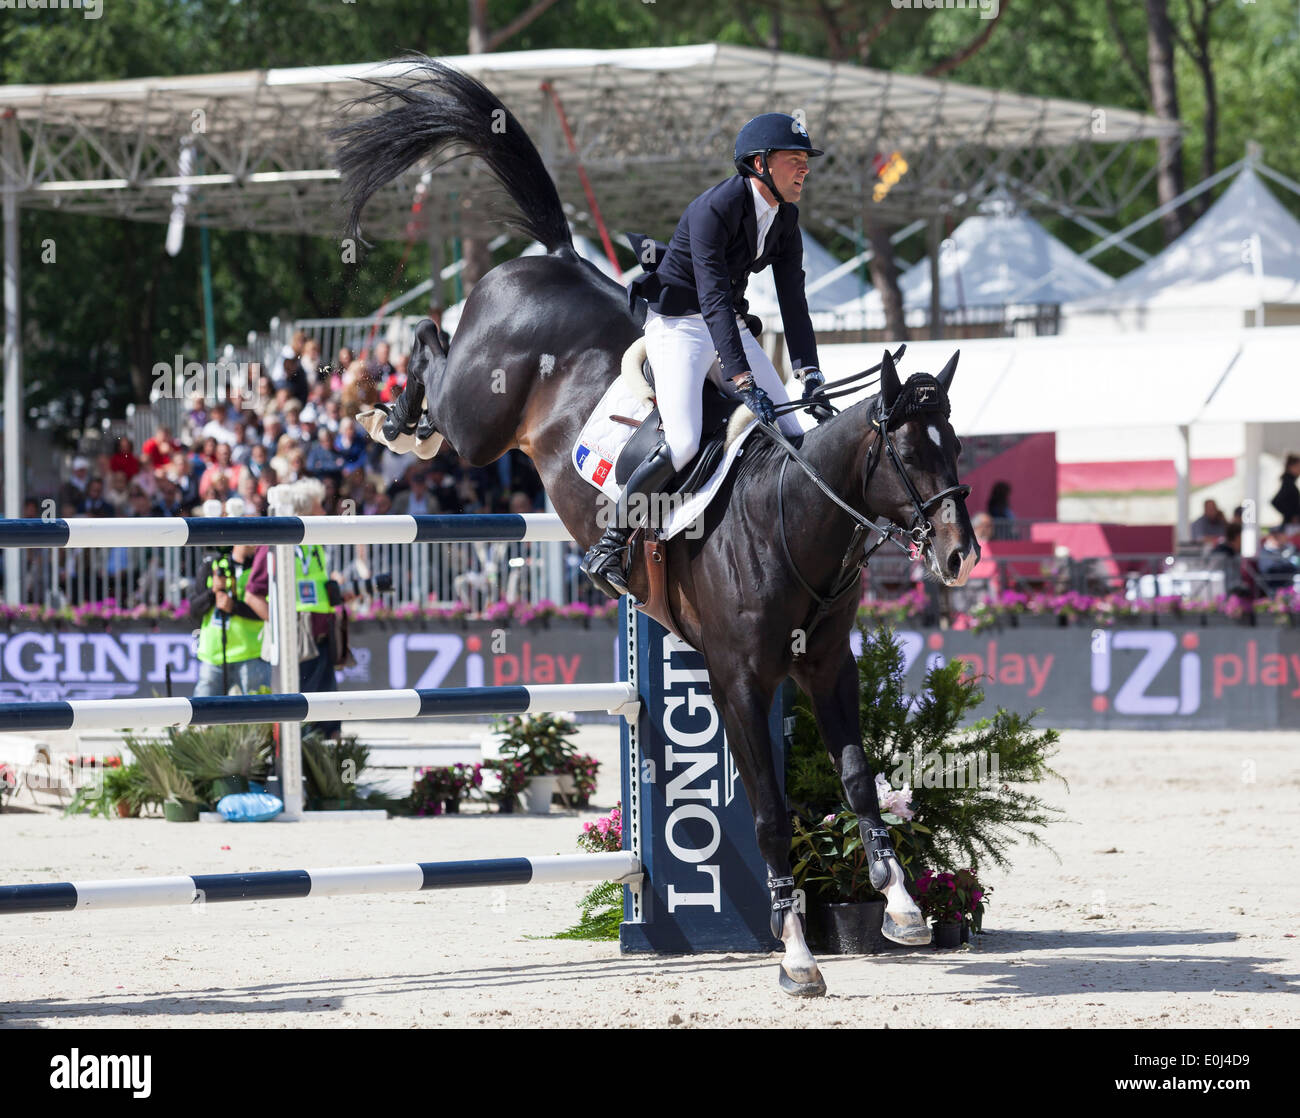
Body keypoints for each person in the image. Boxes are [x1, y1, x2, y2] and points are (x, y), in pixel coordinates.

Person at [581, 112, 827, 598]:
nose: (804, 170)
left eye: (806, 162)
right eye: (794, 161)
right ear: (759, 164)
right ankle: (609, 543)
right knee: (685, 442)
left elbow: (794, 301)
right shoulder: (714, 209)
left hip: (723, 322)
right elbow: (712, 298)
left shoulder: (786, 218)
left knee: (795, 431)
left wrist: (810, 375)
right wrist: (743, 381)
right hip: (678, 327)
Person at [246, 479, 343, 737]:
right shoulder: (274, 543)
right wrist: (282, 626)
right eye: (319, 506)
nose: (324, 512)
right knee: (303, 716)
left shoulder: (315, 544)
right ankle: (305, 768)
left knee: (330, 715)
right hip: (297, 642)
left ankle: (329, 770)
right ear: (304, 511)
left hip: (322, 639)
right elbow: (252, 595)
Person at [190, 543, 270, 696]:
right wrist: (212, 593)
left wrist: (233, 607)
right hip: (213, 655)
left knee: (258, 715)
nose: (257, 541)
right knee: (204, 715)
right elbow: (194, 610)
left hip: (250, 653)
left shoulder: (259, 568)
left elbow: (267, 611)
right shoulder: (211, 566)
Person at [1271, 455, 1300, 527]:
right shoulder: (1288, 483)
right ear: (1291, 467)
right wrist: (1292, 516)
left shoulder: (1289, 482)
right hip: (1291, 525)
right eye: (1298, 466)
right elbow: (1276, 501)